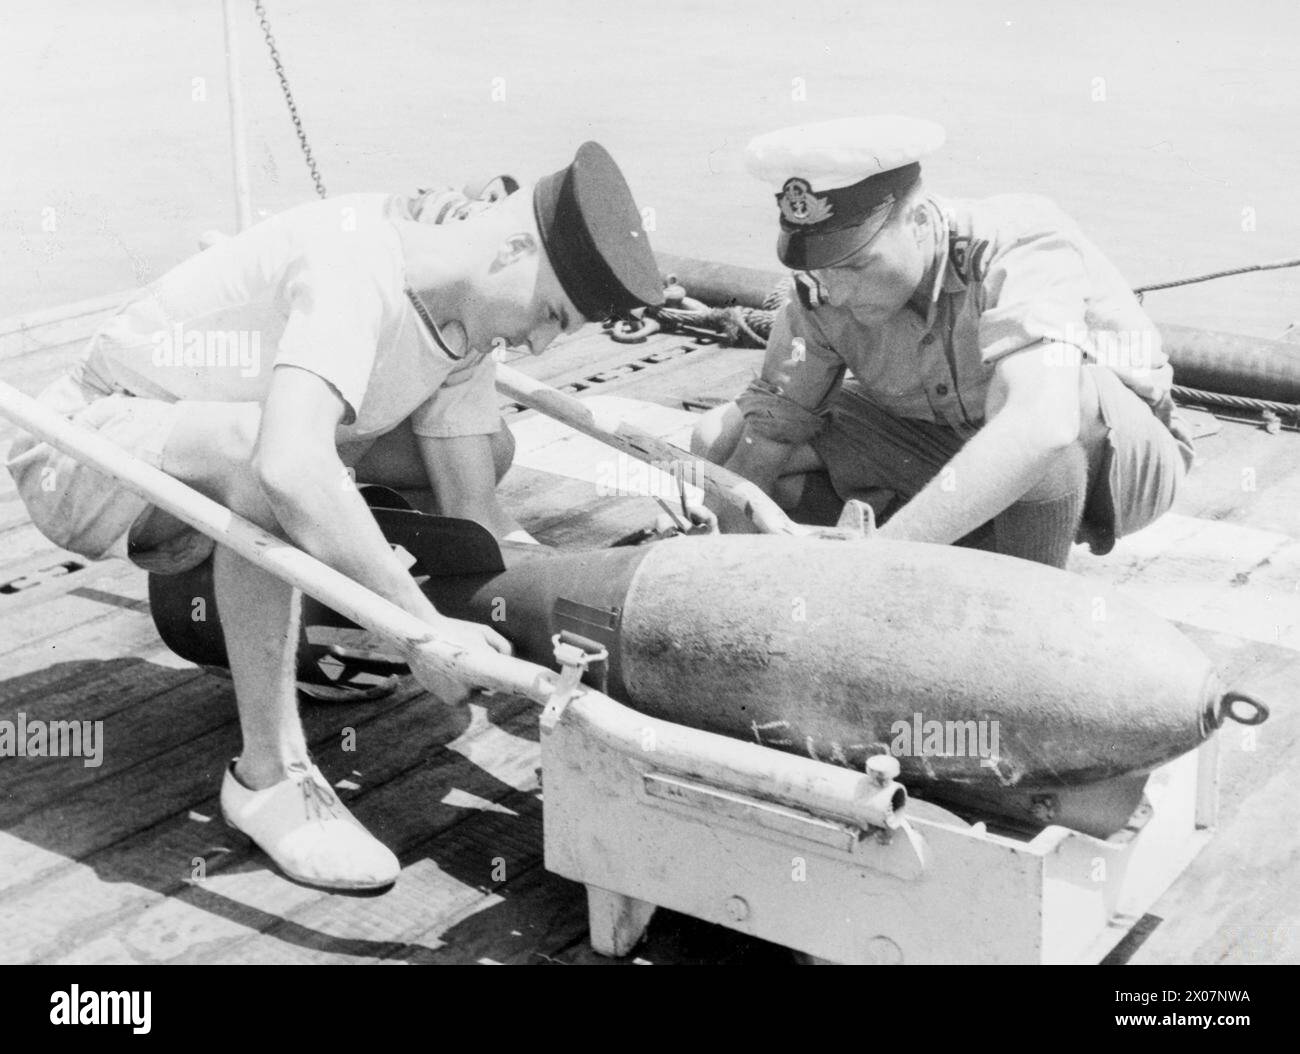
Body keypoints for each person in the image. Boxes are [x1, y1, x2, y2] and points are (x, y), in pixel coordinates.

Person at [6, 142, 662, 891]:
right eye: (552, 314)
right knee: (274, 456)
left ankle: (312, 634)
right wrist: (418, 631)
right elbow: (288, 464)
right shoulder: (358, 261)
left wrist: (539, 640)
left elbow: (471, 508)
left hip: (212, 452)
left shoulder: (461, 316)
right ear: (514, 246)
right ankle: (267, 777)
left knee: (487, 447)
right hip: (88, 448)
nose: (542, 342)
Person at [693, 116, 1194, 568]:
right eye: (821, 269)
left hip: (1118, 468)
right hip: (951, 444)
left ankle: (1026, 591)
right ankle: (964, 554)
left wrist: (880, 560)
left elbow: (1043, 426)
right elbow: (771, 435)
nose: (837, 291)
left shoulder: (1019, 242)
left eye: (856, 265)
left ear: (918, 220)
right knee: (723, 436)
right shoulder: (822, 287)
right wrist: (727, 534)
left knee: (1046, 403)